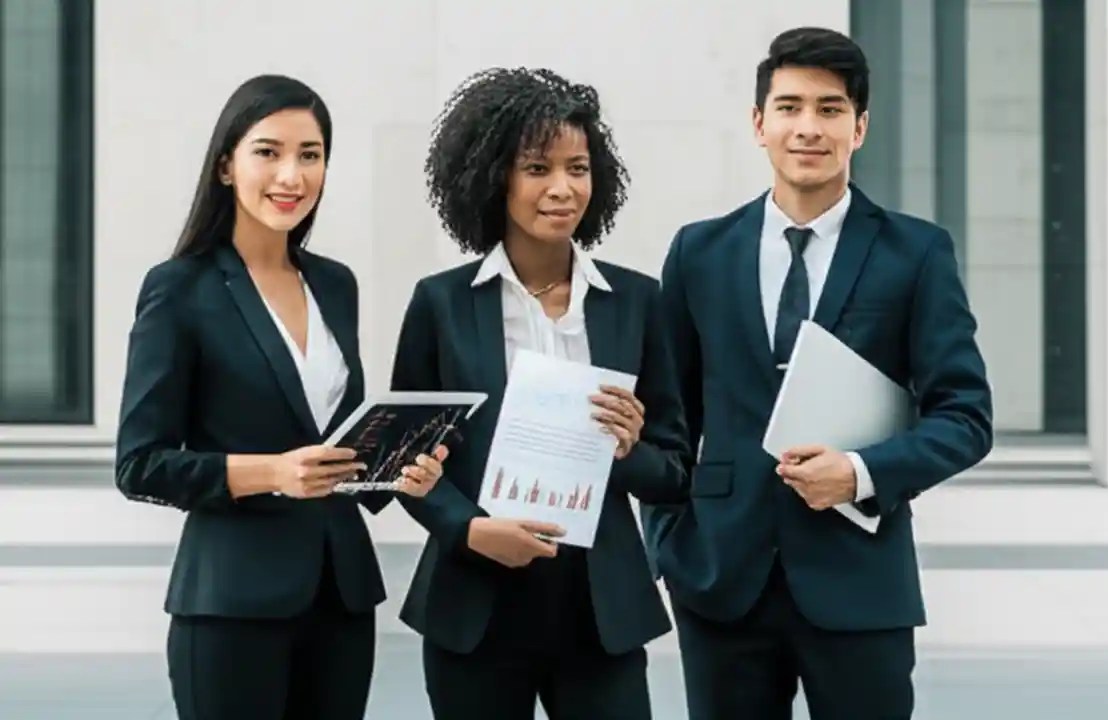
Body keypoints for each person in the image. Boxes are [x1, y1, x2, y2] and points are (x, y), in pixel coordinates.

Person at [643, 27, 994, 720]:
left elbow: (965, 416)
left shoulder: (917, 253)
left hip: (860, 580)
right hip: (719, 580)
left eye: (830, 110)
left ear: (859, 127)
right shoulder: (699, 252)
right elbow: (667, 417)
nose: (809, 127)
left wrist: (860, 474)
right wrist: (672, 543)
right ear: (759, 123)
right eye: (791, 107)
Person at [113, 74, 445, 720]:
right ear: (226, 167)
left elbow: (336, 446)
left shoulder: (334, 284)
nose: (292, 174)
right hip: (231, 602)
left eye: (311, 155)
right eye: (268, 152)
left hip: (341, 596)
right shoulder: (181, 289)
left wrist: (400, 469)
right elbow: (140, 463)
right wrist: (274, 473)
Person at [390, 66, 691, 720]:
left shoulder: (636, 302)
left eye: (577, 168)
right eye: (537, 168)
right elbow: (406, 466)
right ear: (494, 176)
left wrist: (628, 448)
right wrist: (468, 529)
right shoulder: (440, 305)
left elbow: (673, 471)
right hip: (474, 605)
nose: (562, 188)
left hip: (599, 611)